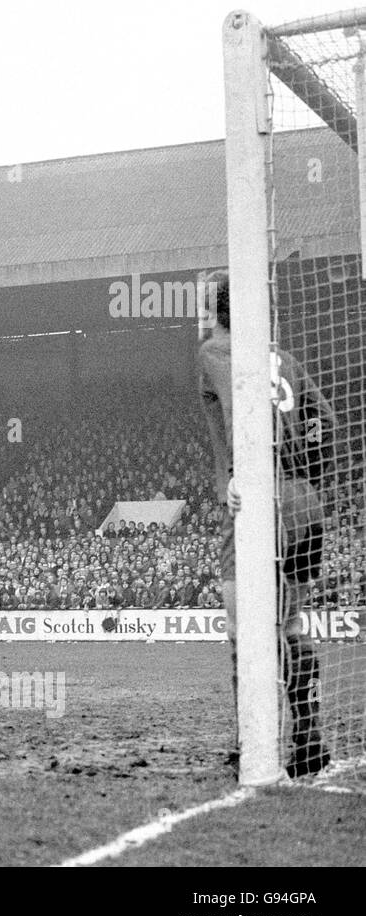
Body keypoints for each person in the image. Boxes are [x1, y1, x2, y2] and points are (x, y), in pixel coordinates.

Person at [198, 269, 337, 778]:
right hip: (307, 506)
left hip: (262, 501)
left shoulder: (217, 349)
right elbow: (327, 421)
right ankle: (308, 738)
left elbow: (242, 408)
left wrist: (242, 475)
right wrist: (309, 483)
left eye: (204, 305)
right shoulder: (288, 359)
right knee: (290, 624)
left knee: (243, 627)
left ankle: (251, 741)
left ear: (217, 309)